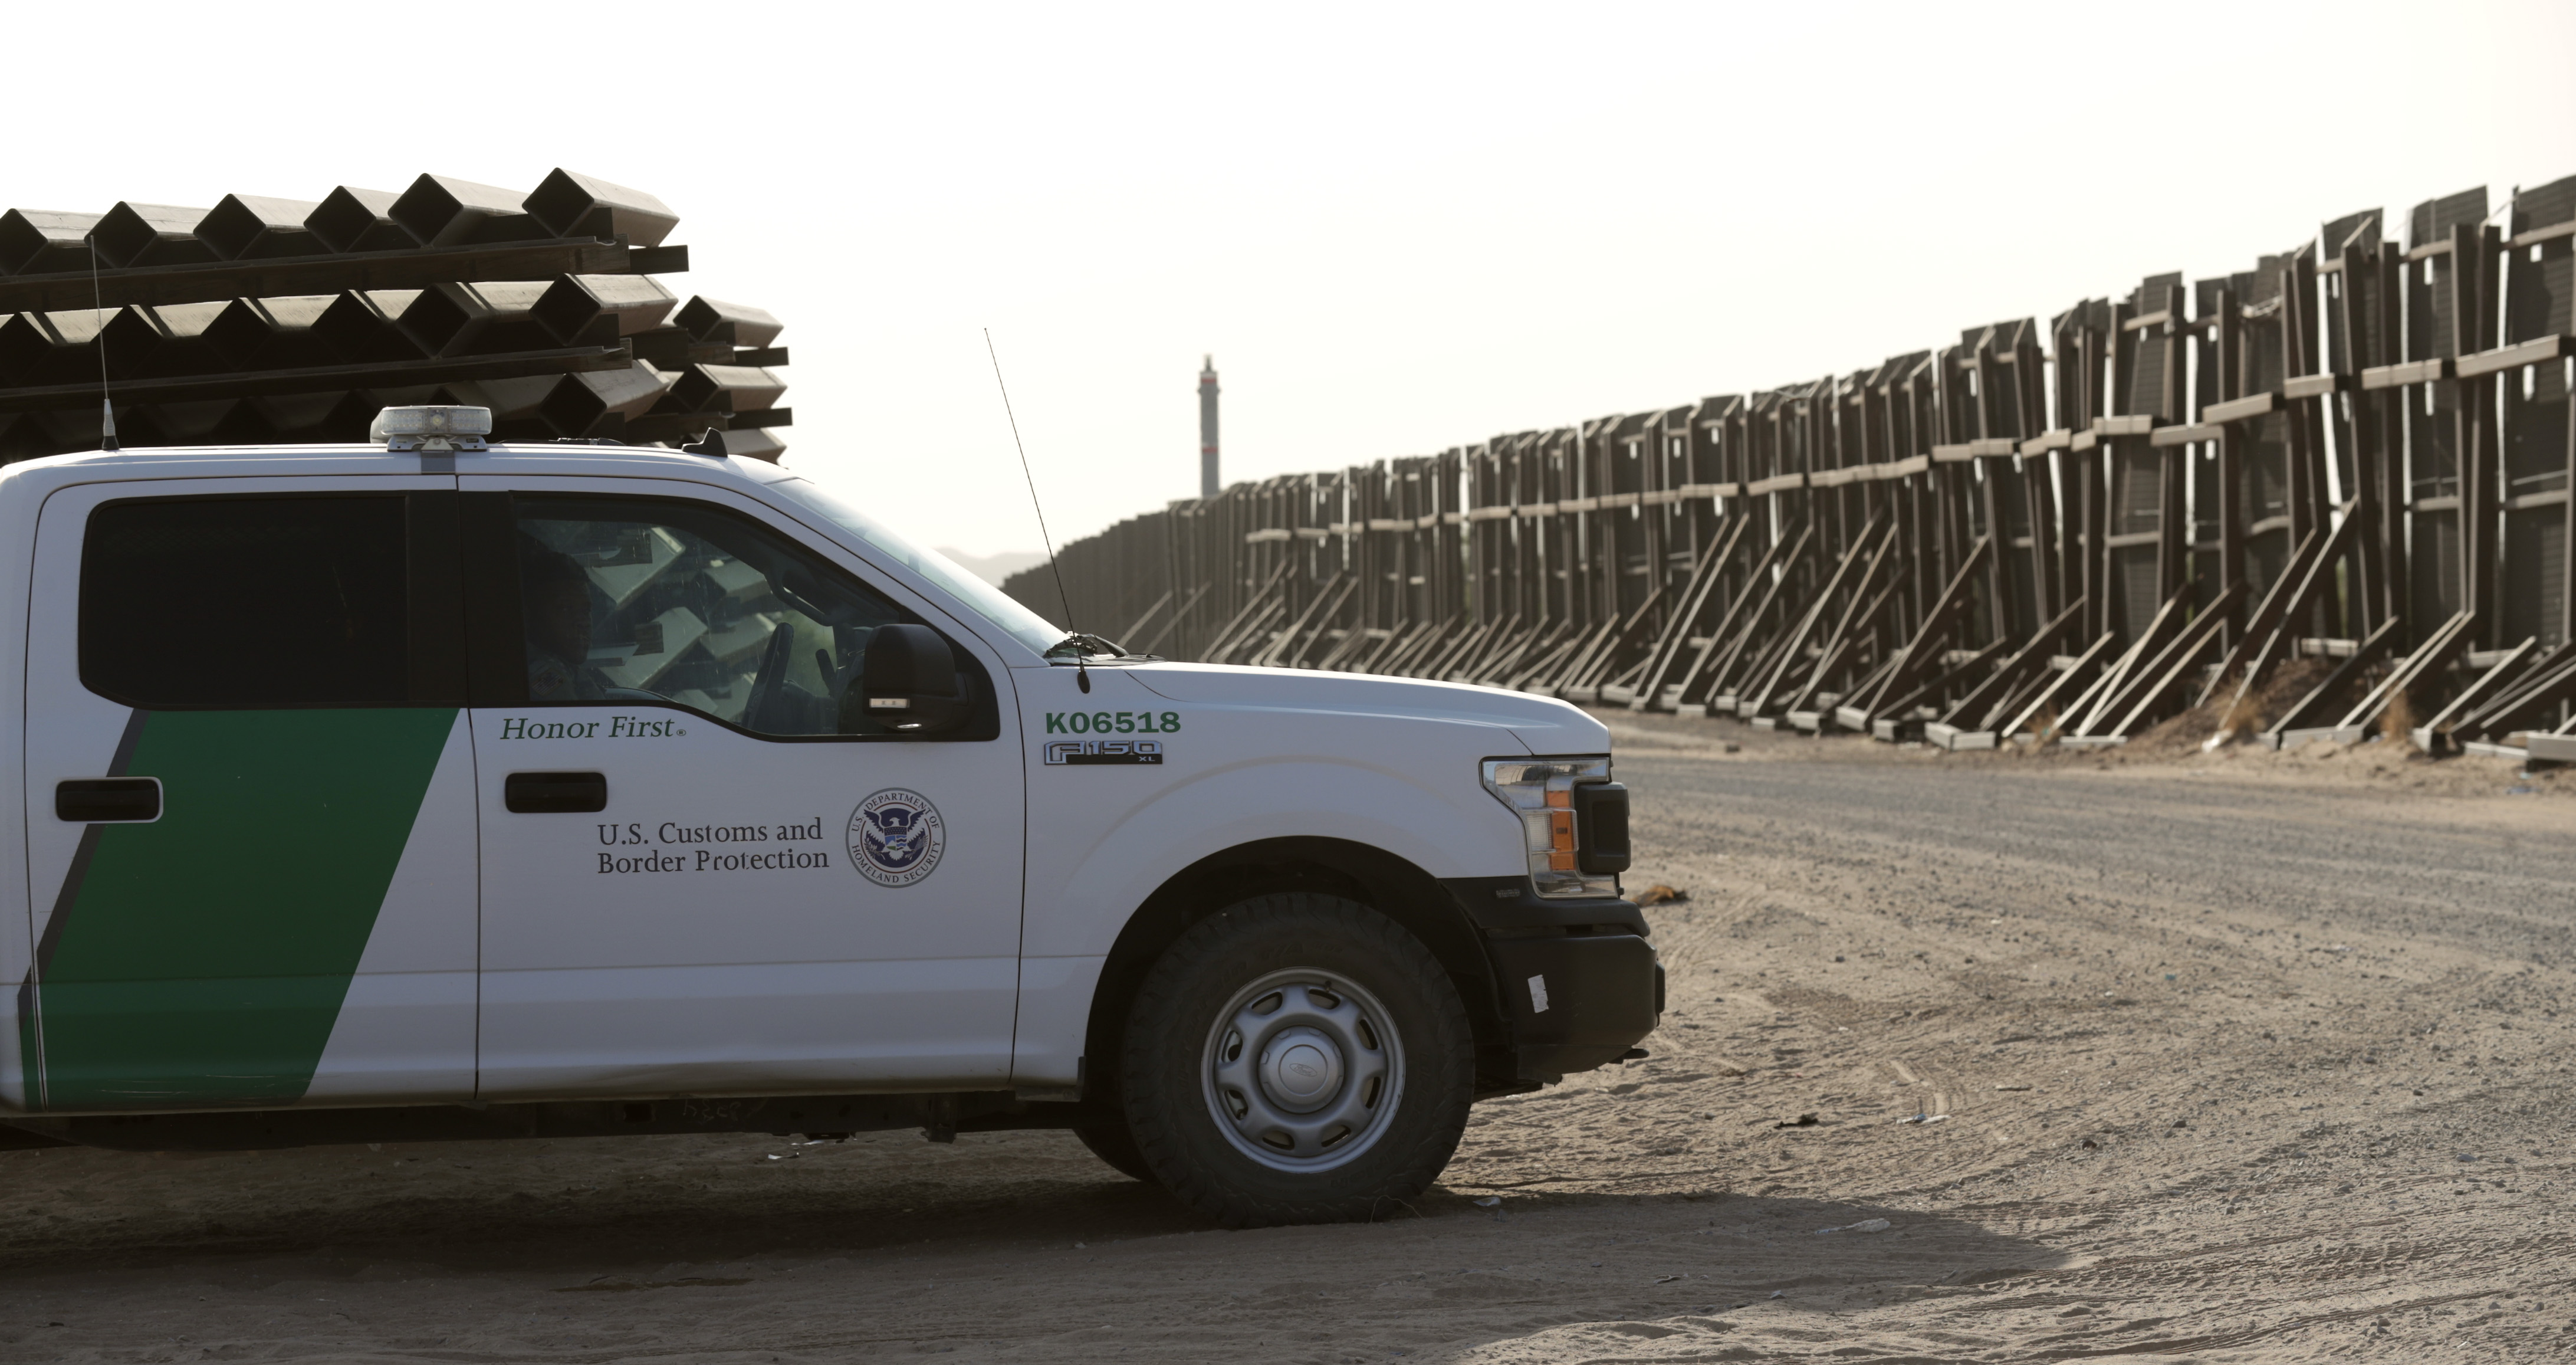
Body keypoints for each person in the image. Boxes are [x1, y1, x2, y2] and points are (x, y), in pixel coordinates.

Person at [521, 537, 606, 702]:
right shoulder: (545, 675)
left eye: (586, 610)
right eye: (566, 609)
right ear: (529, 614)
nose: (583, 622)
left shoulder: (564, 668)